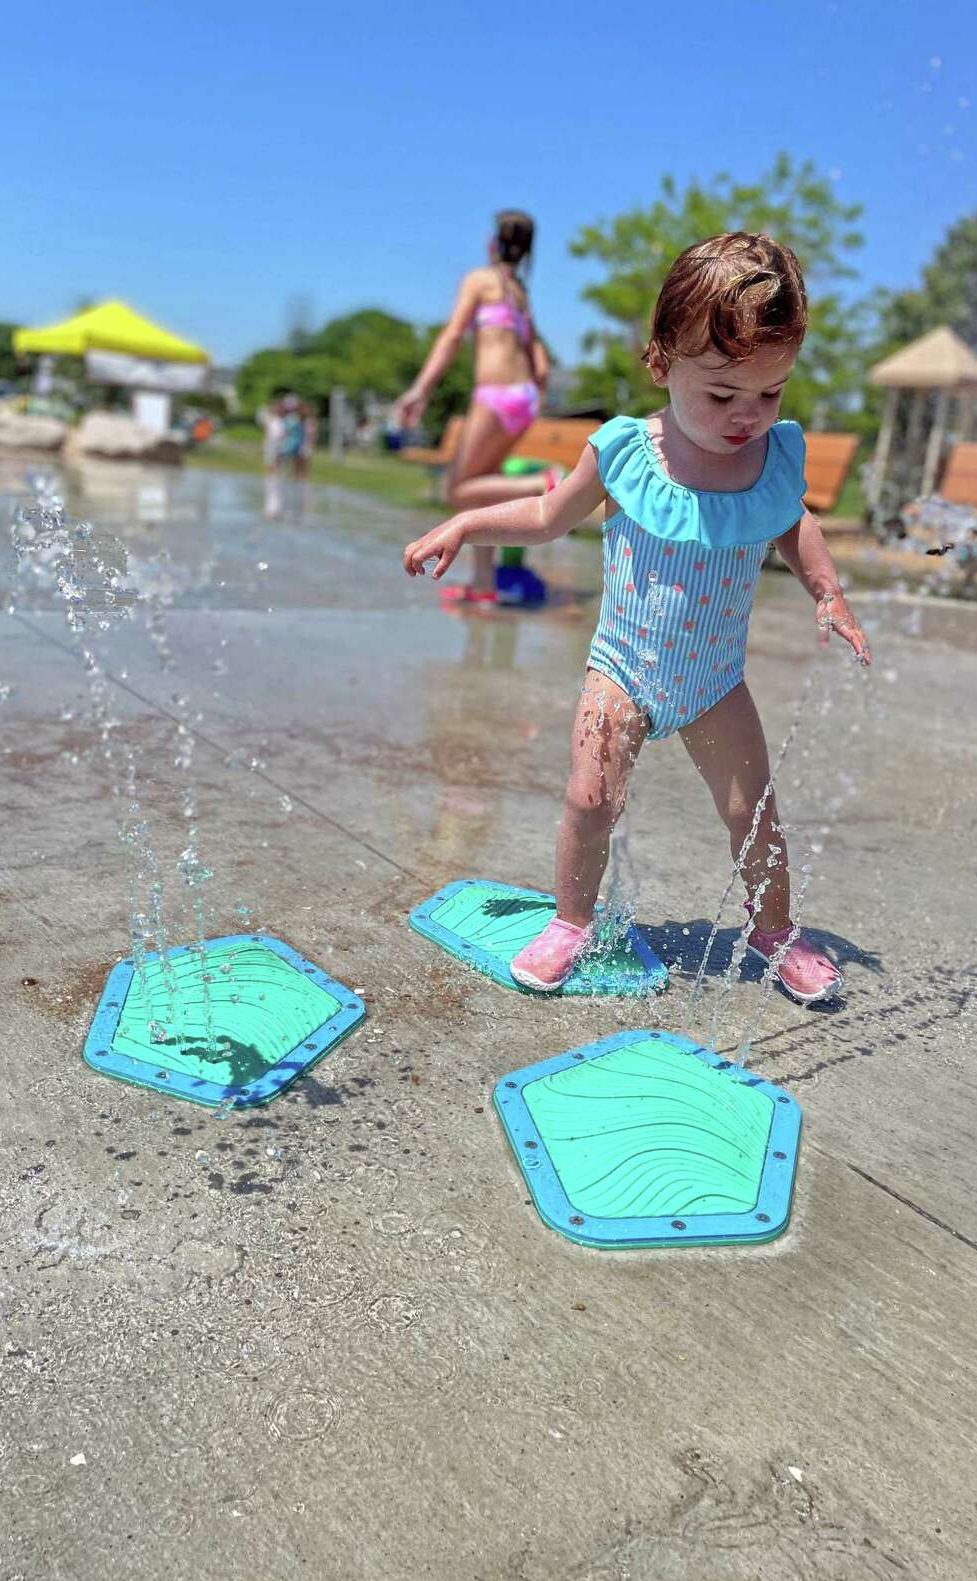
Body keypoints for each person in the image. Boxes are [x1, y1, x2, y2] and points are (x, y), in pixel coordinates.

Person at [403, 232, 870, 1002]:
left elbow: (794, 523)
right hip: (623, 667)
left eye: (770, 393)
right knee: (590, 802)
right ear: (662, 361)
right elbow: (550, 514)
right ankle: (570, 922)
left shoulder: (772, 457)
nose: (746, 416)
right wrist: (465, 526)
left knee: (753, 815)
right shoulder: (626, 452)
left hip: (716, 680)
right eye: (722, 394)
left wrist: (827, 589)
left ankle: (775, 928)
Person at [398, 210, 552, 606]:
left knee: (457, 489)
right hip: (524, 398)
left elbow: (451, 336)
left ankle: (543, 484)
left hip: (495, 395)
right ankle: (484, 584)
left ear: (491, 243)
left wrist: (420, 389)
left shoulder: (479, 280)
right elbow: (541, 362)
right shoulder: (519, 292)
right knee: (484, 491)